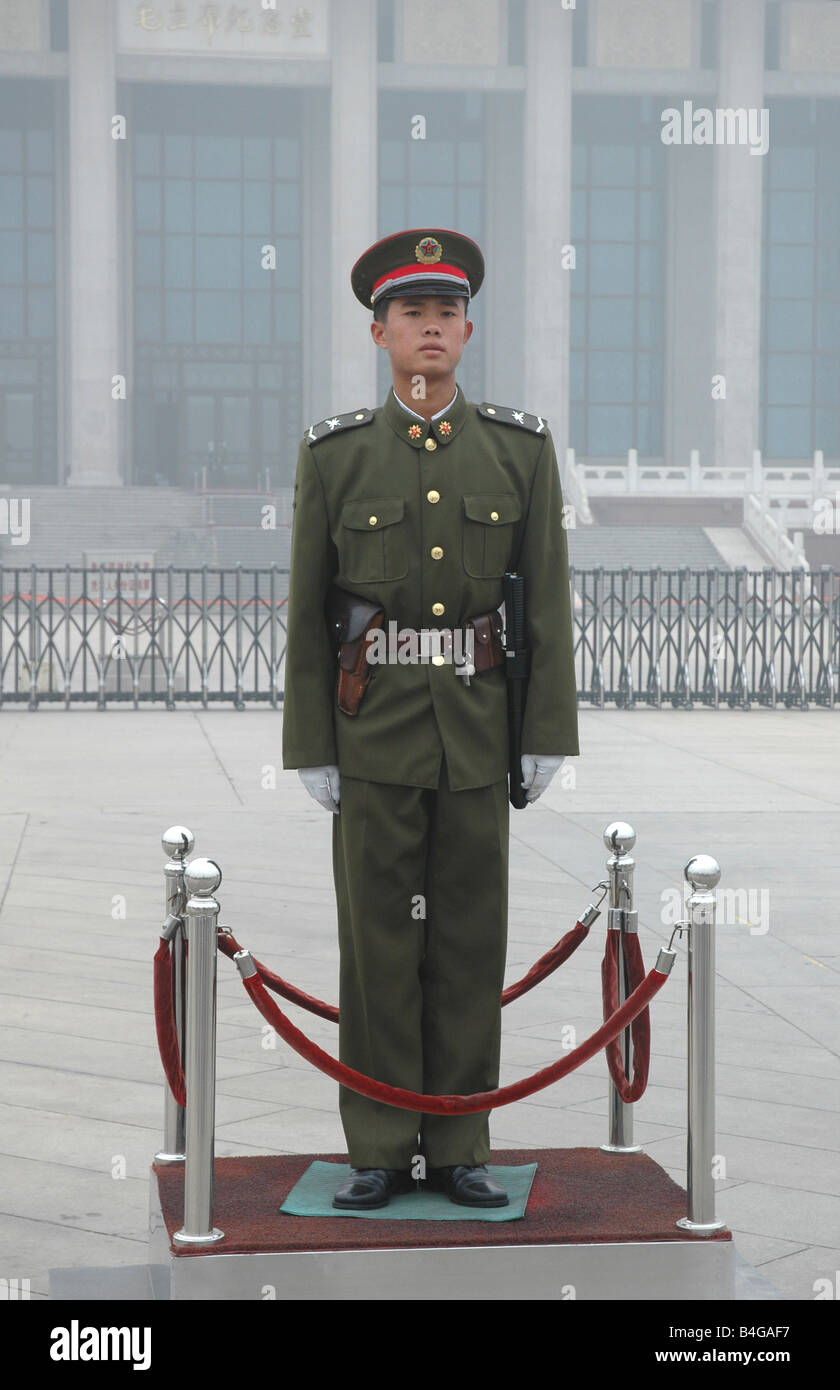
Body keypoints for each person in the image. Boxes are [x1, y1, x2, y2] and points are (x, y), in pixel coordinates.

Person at [282, 228, 580, 1209]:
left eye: (446, 313)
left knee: (466, 938)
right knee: (375, 942)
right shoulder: (335, 456)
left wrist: (544, 733)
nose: (431, 329)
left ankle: (459, 1144)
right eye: (412, 314)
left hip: (477, 731)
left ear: (467, 328)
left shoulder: (520, 449)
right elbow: (310, 611)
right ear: (380, 331)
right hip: (373, 733)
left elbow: (544, 605)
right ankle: (376, 1137)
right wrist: (311, 745)